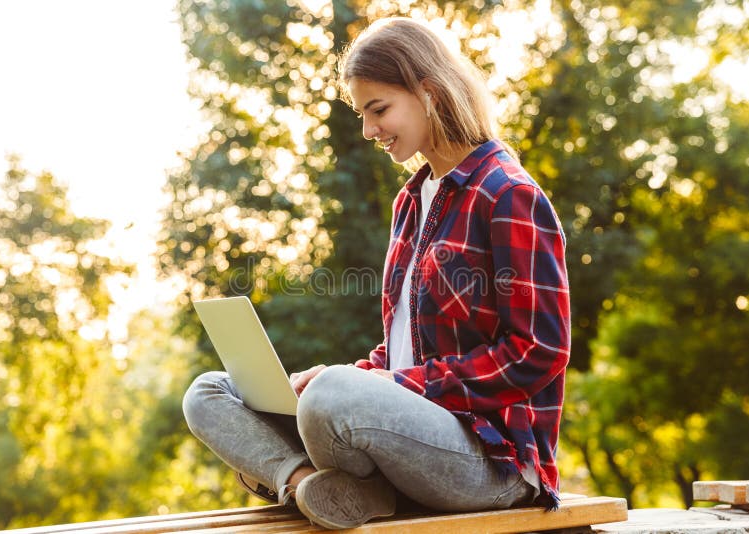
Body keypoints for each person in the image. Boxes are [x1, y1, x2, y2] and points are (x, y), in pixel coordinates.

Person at [182, 16, 570, 530]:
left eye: (378, 109)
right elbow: (405, 344)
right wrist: (364, 375)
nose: (368, 131)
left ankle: (345, 481)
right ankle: (307, 487)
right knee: (210, 392)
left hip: (490, 459)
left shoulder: (507, 195)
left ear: (429, 92)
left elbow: (538, 353)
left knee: (333, 396)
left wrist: (385, 385)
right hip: (408, 436)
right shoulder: (411, 203)